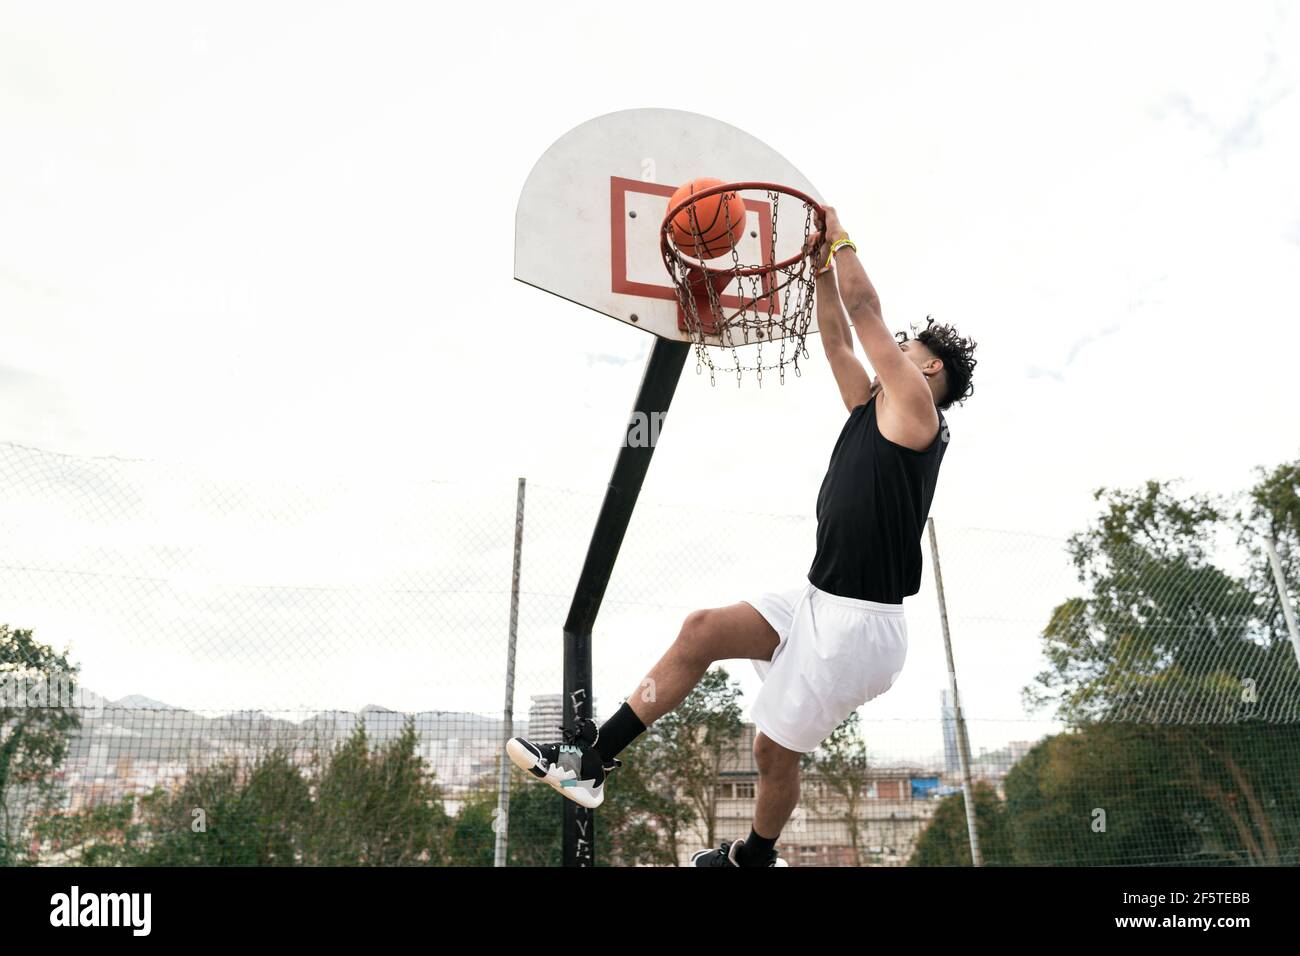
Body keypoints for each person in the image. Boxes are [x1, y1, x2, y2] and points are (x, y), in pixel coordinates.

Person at [506, 206, 977, 866]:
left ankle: (754, 856)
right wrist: (818, 273)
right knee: (702, 629)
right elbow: (841, 342)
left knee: (770, 752)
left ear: (927, 373)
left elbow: (865, 310)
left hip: (861, 629)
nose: (894, 350)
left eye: (908, 350)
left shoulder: (918, 412)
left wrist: (839, 237)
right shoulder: (876, 409)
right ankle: (591, 758)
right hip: (820, 599)